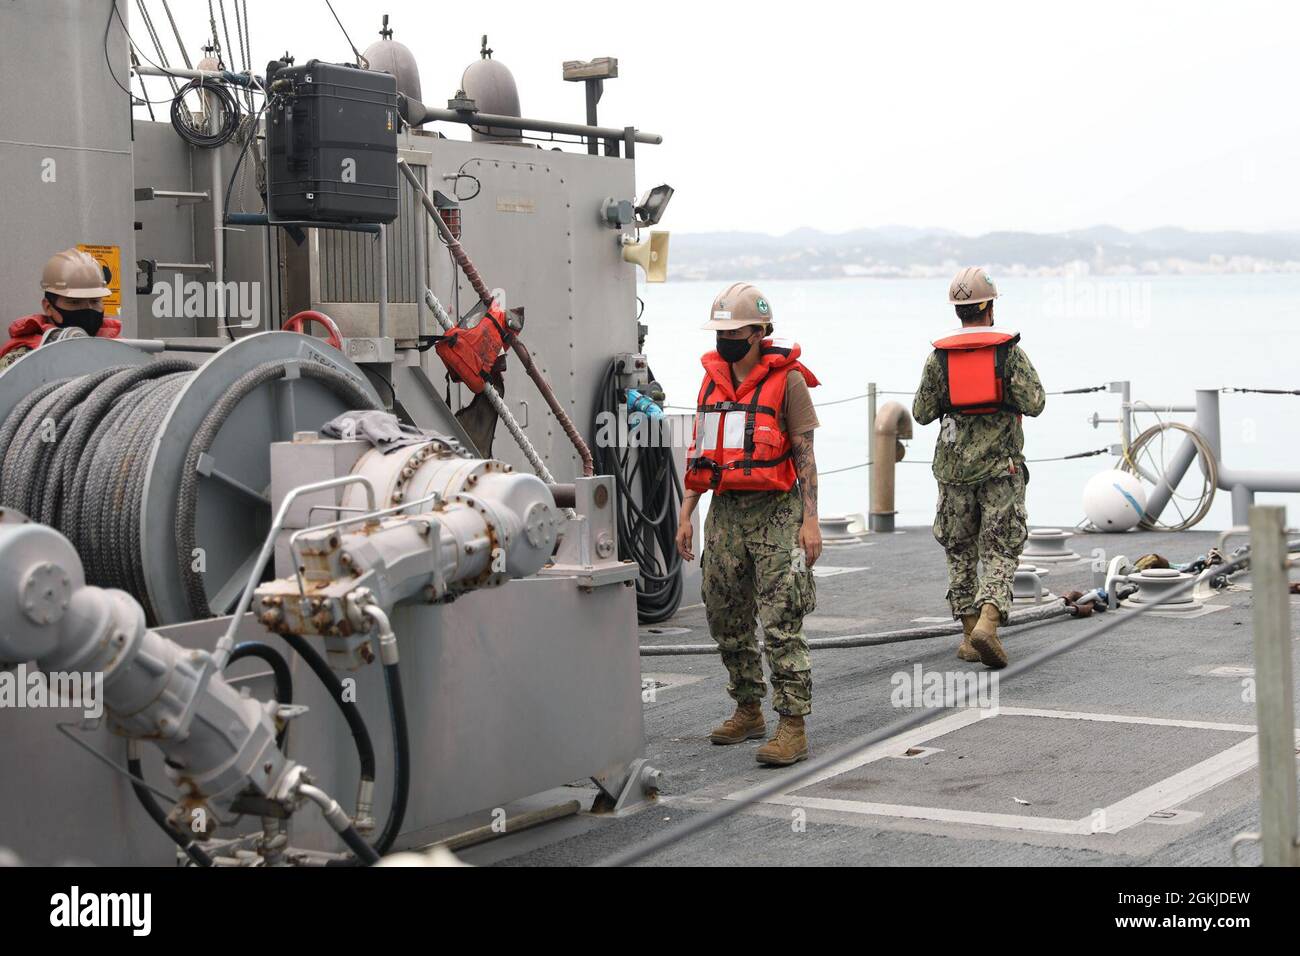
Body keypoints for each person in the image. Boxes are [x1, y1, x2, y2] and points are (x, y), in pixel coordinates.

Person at [675, 282, 822, 766]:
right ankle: (747, 708)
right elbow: (701, 452)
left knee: (782, 619)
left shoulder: (789, 382)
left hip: (777, 511)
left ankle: (792, 725)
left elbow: (805, 455)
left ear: (760, 332)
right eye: (721, 331)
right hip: (726, 512)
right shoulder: (711, 382)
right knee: (722, 611)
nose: (726, 339)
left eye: (735, 330)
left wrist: (811, 521)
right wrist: (686, 512)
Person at [912, 267, 1045, 668]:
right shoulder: (1008, 353)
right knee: (1001, 548)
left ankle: (969, 633)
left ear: (958, 312)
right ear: (989, 308)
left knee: (959, 550)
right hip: (1000, 471)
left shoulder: (939, 358)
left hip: (952, 474)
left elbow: (920, 413)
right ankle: (989, 621)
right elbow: (1036, 402)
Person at [0, 248, 121, 371]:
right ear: (48, 307)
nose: (88, 309)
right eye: (75, 302)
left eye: (95, 301)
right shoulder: (21, 361)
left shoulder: (121, 351)